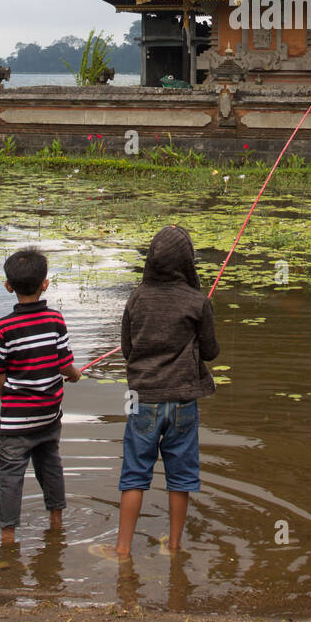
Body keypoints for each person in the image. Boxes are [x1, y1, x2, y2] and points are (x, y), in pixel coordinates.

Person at [116, 225, 219, 556]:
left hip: (140, 399)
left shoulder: (136, 298)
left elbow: (127, 350)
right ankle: (174, 546)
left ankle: (121, 549)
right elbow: (211, 351)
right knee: (181, 477)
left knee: (134, 474)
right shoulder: (197, 301)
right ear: (187, 261)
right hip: (183, 401)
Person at [0, 247, 81, 544]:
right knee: (51, 466)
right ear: (45, 284)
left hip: (16, 424)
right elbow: (65, 365)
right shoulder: (55, 321)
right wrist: (74, 374)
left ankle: (8, 539)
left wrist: (8, 397)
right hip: (49, 418)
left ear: (8, 286)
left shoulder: (3, 328)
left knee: (11, 479)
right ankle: (56, 524)